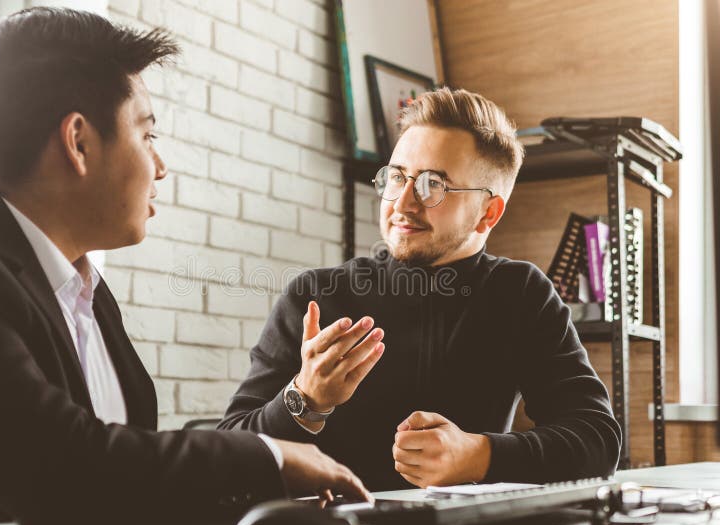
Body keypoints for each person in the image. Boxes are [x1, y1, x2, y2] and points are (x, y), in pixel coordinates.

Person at [0, 7, 369, 525]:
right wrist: (274, 458)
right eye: (147, 135)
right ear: (79, 142)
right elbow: (65, 470)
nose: (160, 167)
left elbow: (129, 482)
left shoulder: (81, 286)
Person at [219, 87, 622, 491]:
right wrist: (305, 400)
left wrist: (479, 455)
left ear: (488, 212)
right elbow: (230, 454)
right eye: (397, 177)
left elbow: (598, 440)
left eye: (434, 185)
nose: (403, 203)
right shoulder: (316, 296)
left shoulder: (521, 295)